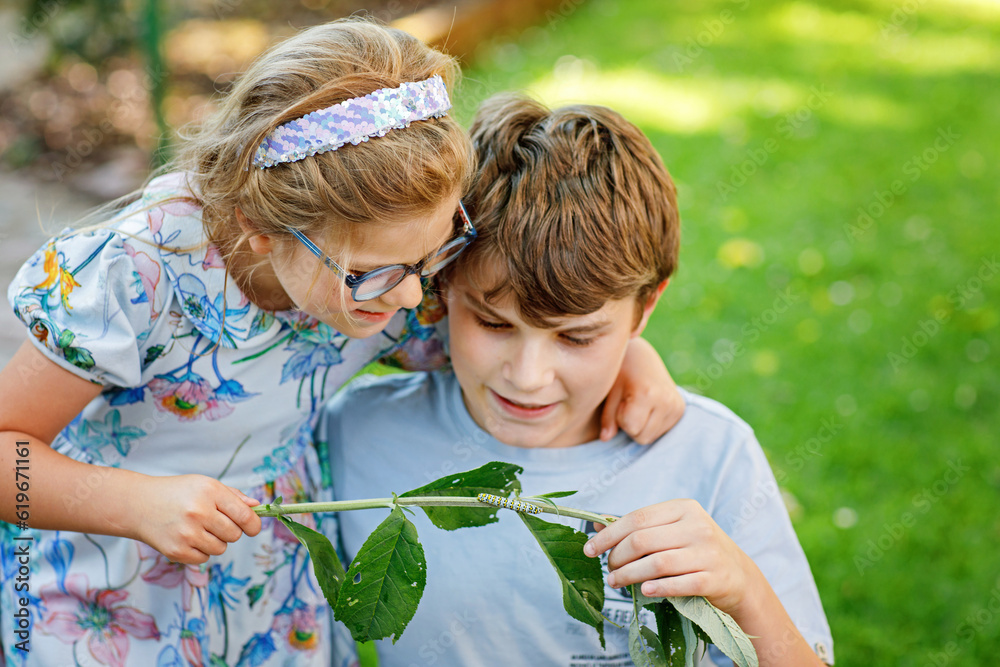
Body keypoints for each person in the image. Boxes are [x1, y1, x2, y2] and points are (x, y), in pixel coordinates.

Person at [0, 20, 683, 667]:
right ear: (259, 226)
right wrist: (133, 504)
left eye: (435, 252)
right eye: (375, 273)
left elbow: (516, 341)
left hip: (267, 594)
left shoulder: (390, 273)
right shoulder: (138, 276)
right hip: (103, 590)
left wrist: (630, 354)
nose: (415, 300)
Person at [320, 94, 835, 666]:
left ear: (644, 311)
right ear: (439, 285)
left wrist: (746, 592)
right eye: (492, 323)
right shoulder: (357, 432)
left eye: (576, 337)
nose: (529, 378)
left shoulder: (710, 456)